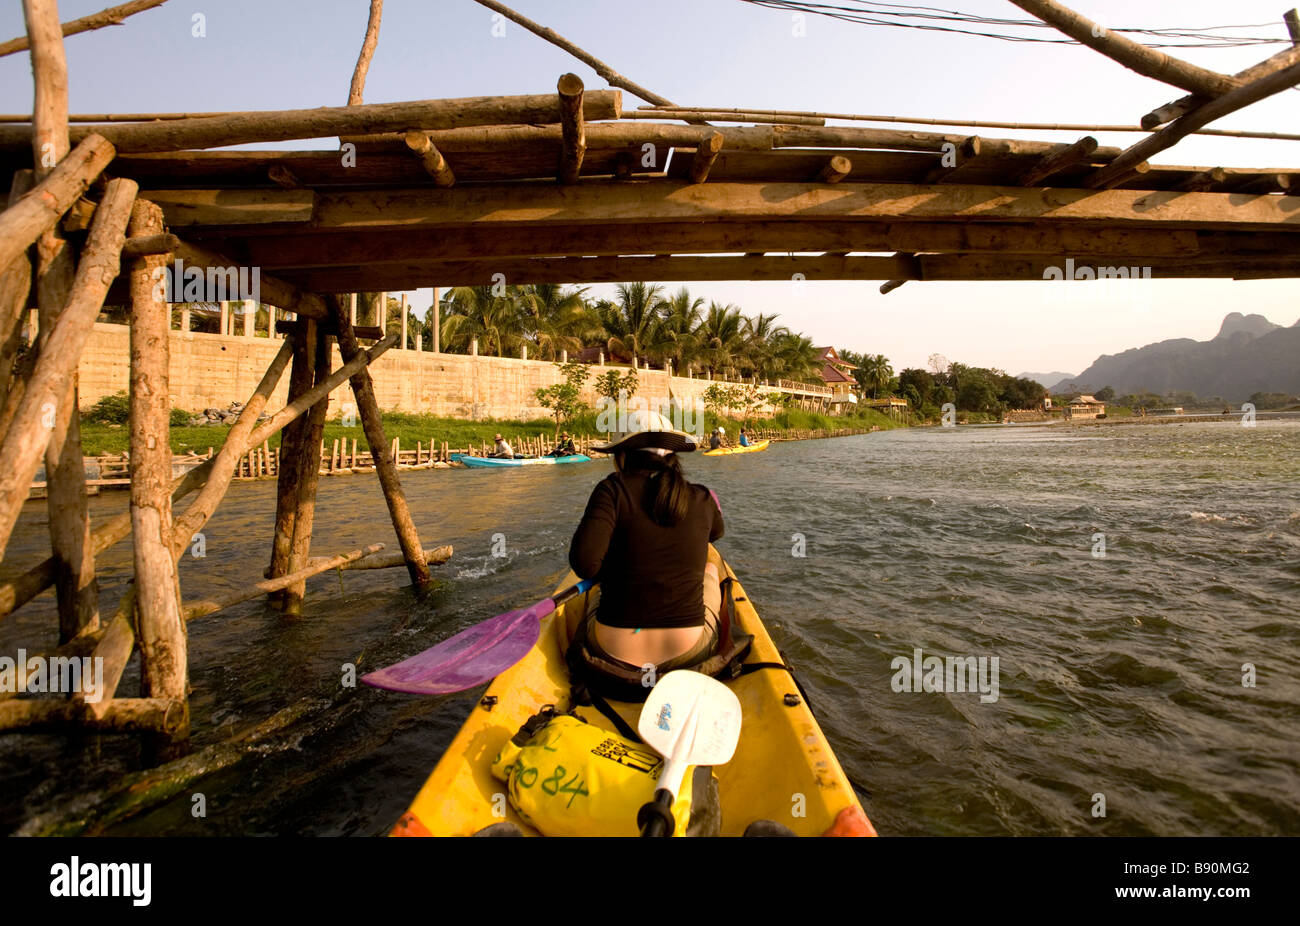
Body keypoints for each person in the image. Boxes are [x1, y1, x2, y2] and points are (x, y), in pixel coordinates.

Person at [569, 410, 724, 679]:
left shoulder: (611, 489)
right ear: (672, 457)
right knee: (711, 571)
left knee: (595, 594)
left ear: (622, 456)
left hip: (612, 651)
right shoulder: (701, 496)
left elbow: (585, 565)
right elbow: (716, 534)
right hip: (688, 652)